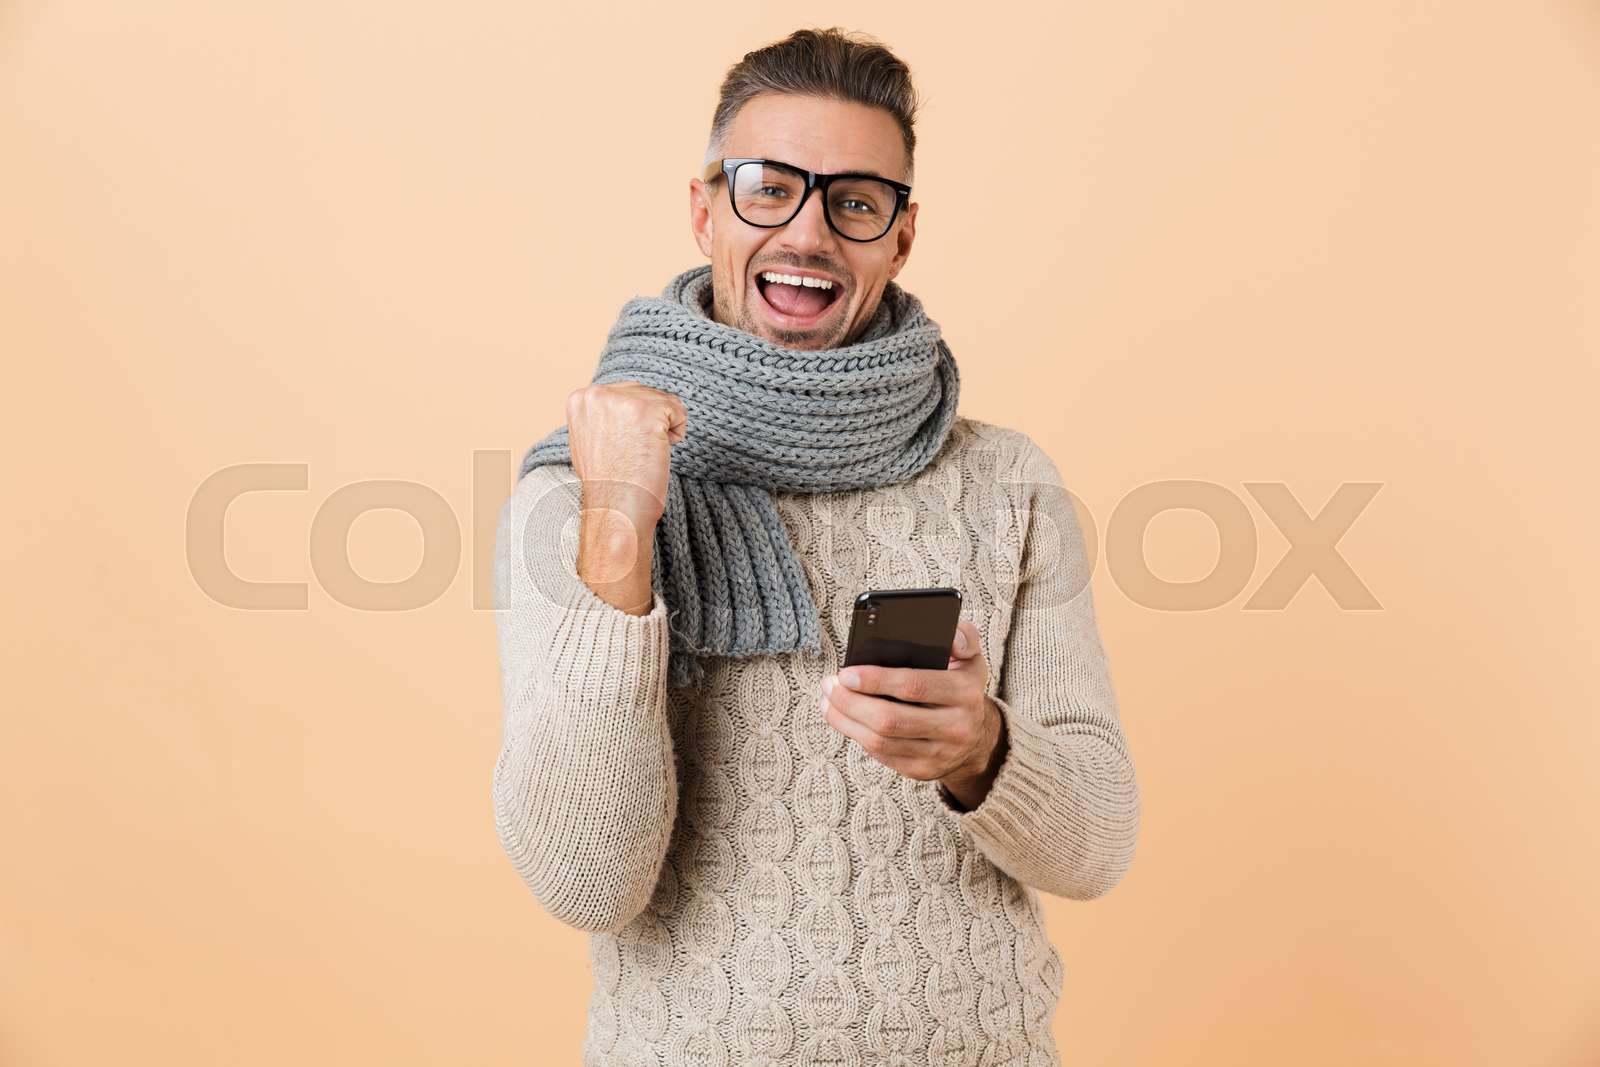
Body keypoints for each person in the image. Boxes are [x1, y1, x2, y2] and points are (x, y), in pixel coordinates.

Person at [491, 26, 1140, 1065]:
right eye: (766, 187)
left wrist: (981, 752)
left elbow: (1098, 844)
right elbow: (583, 877)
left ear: (900, 235)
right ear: (704, 209)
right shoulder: (574, 487)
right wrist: (621, 526)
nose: (806, 232)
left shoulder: (1006, 479)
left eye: (853, 200)